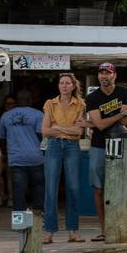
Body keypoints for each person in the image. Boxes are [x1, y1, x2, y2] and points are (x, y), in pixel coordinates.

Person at [85, 63, 127, 241]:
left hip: (120, 143)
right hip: (98, 145)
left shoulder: (125, 92)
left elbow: (125, 124)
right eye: (101, 74)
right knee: (99, 188)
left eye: (108, 73)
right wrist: (121, 114)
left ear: (114, 75)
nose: (104, 77)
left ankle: (119, 225)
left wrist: (120, 117)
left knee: (120, 185)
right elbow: (100, 125)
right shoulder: (92, 97)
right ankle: (104, 229)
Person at [41, 72, 88, 244]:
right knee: (51, 189)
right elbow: (45, 131)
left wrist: (57, 127)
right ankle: (49, 231)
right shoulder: (50, 103)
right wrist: (66, 129)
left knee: (74, 188)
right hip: (53, 146)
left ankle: (73, 230)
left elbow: (78, 132)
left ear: (73, 86)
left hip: (71, 147)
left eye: (68, 83)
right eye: (62, 83)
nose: (64, 86)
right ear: (58, 86)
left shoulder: (80, 104)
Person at [0, 89, 45, 215]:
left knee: (18, 189)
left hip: (16, 159)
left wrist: (5, 154)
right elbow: (42, 136)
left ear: (17, 102)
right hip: (36, 158)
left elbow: (1, 138)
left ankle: (19, 221)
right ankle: (40, 218)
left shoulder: (6, 116)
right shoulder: (38, 114)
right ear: (30, 100)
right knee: (38, 187)